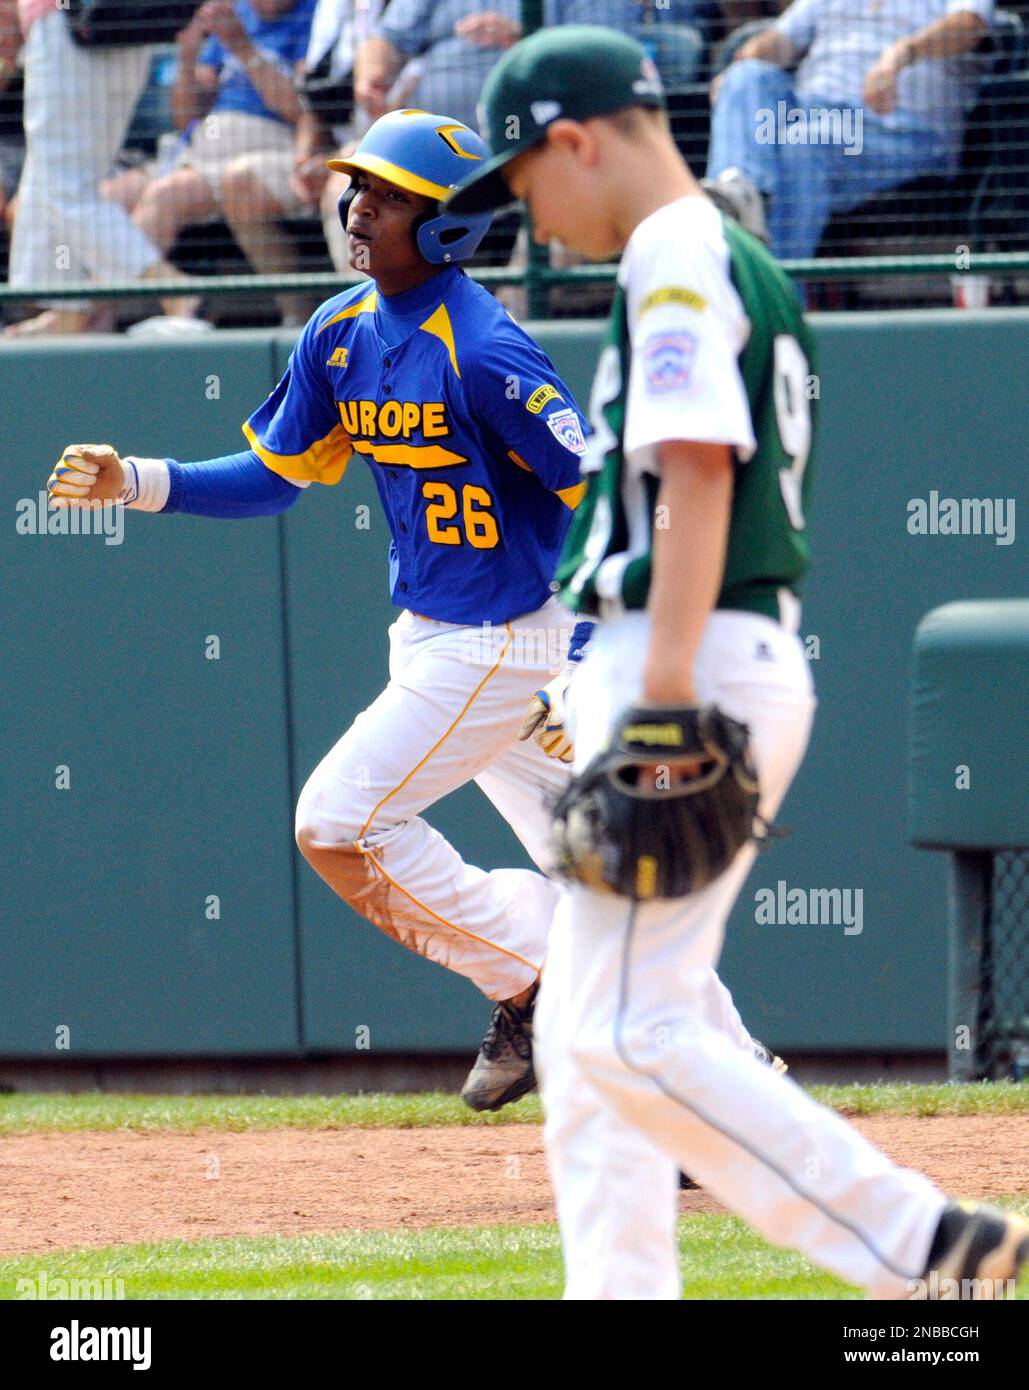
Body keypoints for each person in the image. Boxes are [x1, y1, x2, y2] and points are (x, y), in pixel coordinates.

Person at [446, 23, 1029, 1298]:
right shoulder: (738, 255)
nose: (527, 221)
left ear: (575, 139)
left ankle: (918, 1246)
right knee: (594, 1048)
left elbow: (699, 468)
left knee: (629, 1033)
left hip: (690, 657)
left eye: (524, 185)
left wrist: (658, 714)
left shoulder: (675, 250)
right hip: (706, 649)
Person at [704, 0, 994, 258]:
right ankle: (738, 192)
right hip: (812, 110)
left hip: (899, 128)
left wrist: (902, 53)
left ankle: (776, 295)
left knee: (803, 141)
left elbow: (970, 25)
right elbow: (782, 39)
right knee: (746, 77)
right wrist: (748, 58)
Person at [4, 0, 191, 335]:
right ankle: (67, 314)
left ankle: (174, 289)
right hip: (125, 28)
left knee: (65, 187)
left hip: (72, 27)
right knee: (47, 178)